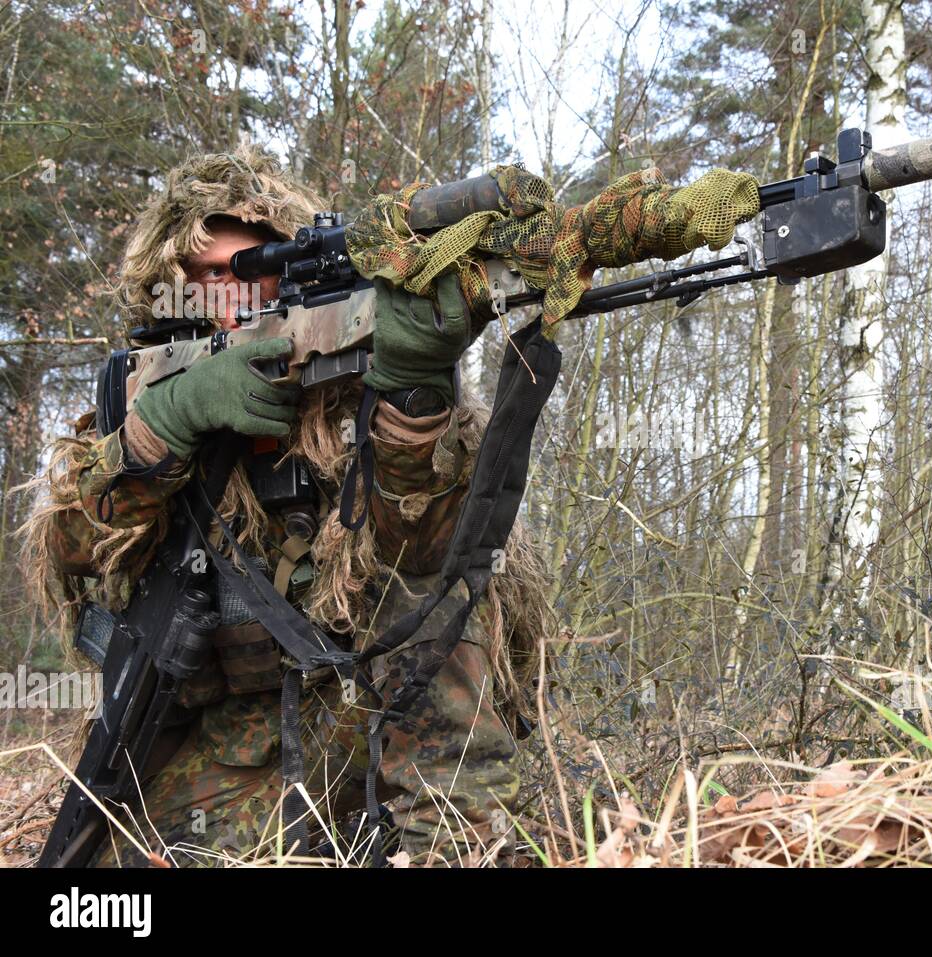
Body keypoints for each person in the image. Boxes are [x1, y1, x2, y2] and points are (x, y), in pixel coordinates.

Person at [23, 146, 555, 867]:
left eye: (252, 267)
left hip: (359, 719)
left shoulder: (355, 383)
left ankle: (461, 846)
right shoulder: (145, 399)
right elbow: (70, 550)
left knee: (429, 600)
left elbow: (424, 553)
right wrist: (166, 426)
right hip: (235, 752)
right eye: (207, 277)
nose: (232, 295)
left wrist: (413, 395)